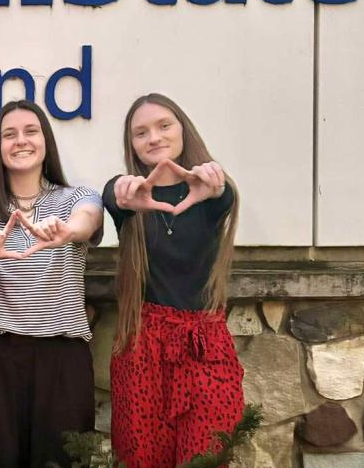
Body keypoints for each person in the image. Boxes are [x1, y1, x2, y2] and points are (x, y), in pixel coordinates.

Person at [0, 100, 104, 468]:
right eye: (9, 134)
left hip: (62, 358)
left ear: (46, 141)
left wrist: (69, 231)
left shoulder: (76, 198)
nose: (21, 141)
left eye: (30, 131)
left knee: (62, 460)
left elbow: (90, 219)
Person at [103, 93, 243, 468]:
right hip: (143, 346)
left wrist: (212, 185)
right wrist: (125, 195)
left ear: (183, 129)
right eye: (141, 132)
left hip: (204, 346)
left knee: (206, 457)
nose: (154, 138)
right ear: (131, 144)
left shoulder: (211, 193)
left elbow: (223, 193)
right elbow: (115, 195)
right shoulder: (130, 195)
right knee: (142, 456)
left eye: (164, 125)